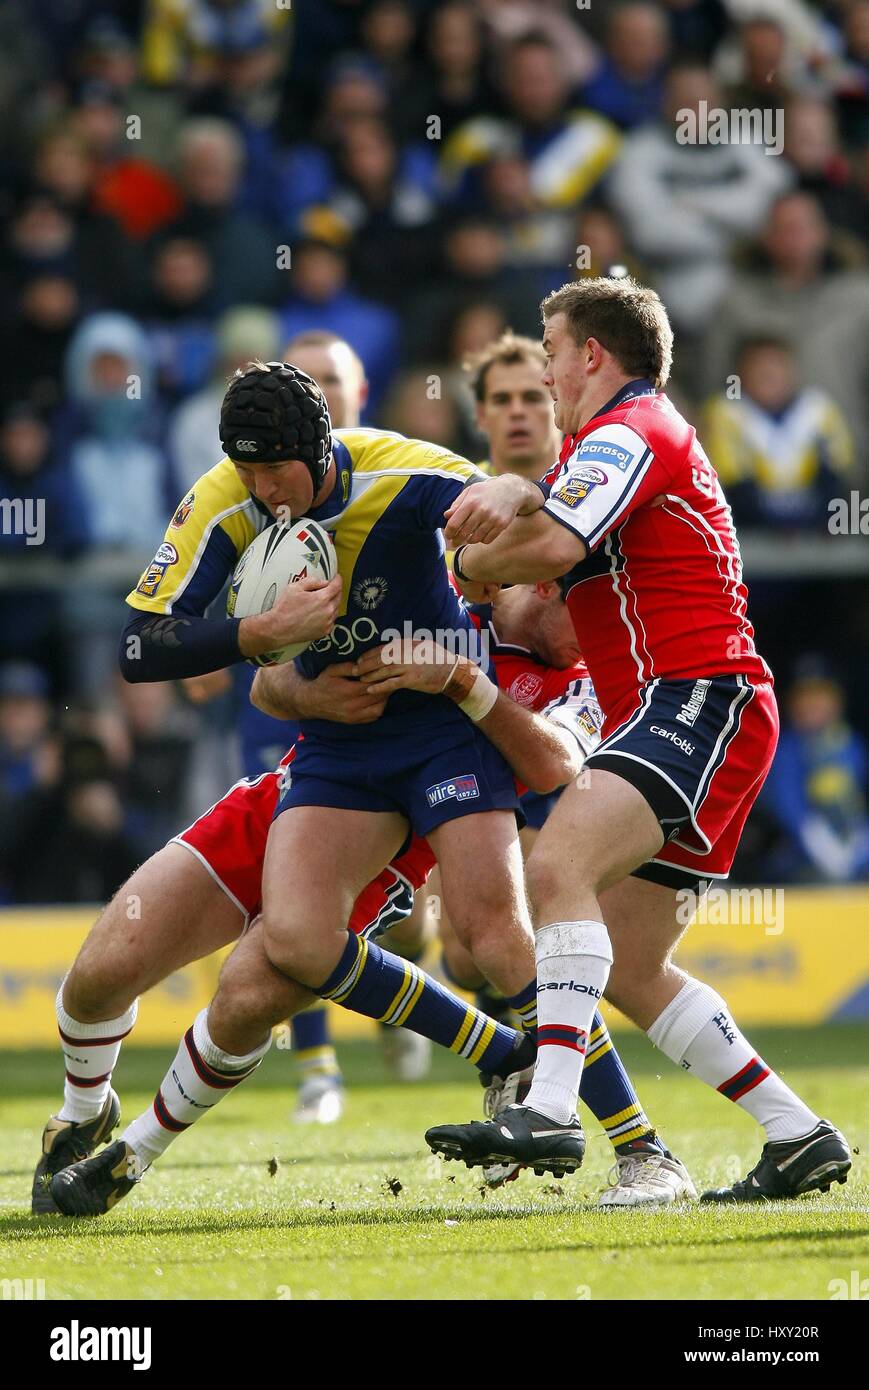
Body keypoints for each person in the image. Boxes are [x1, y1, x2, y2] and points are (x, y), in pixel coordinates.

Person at [424, 275, 851, 1202]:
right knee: (631, 965)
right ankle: (798, 1134)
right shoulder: (606, 443)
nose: (542, 370)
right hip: (692, 706)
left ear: (591, 355)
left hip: (696, 694)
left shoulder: (635, 426)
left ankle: (543, 1107)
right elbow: (541, 562)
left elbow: (546, 555)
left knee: (555, 867)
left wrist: (465, 557)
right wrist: (504, 524)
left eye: (550, 350)